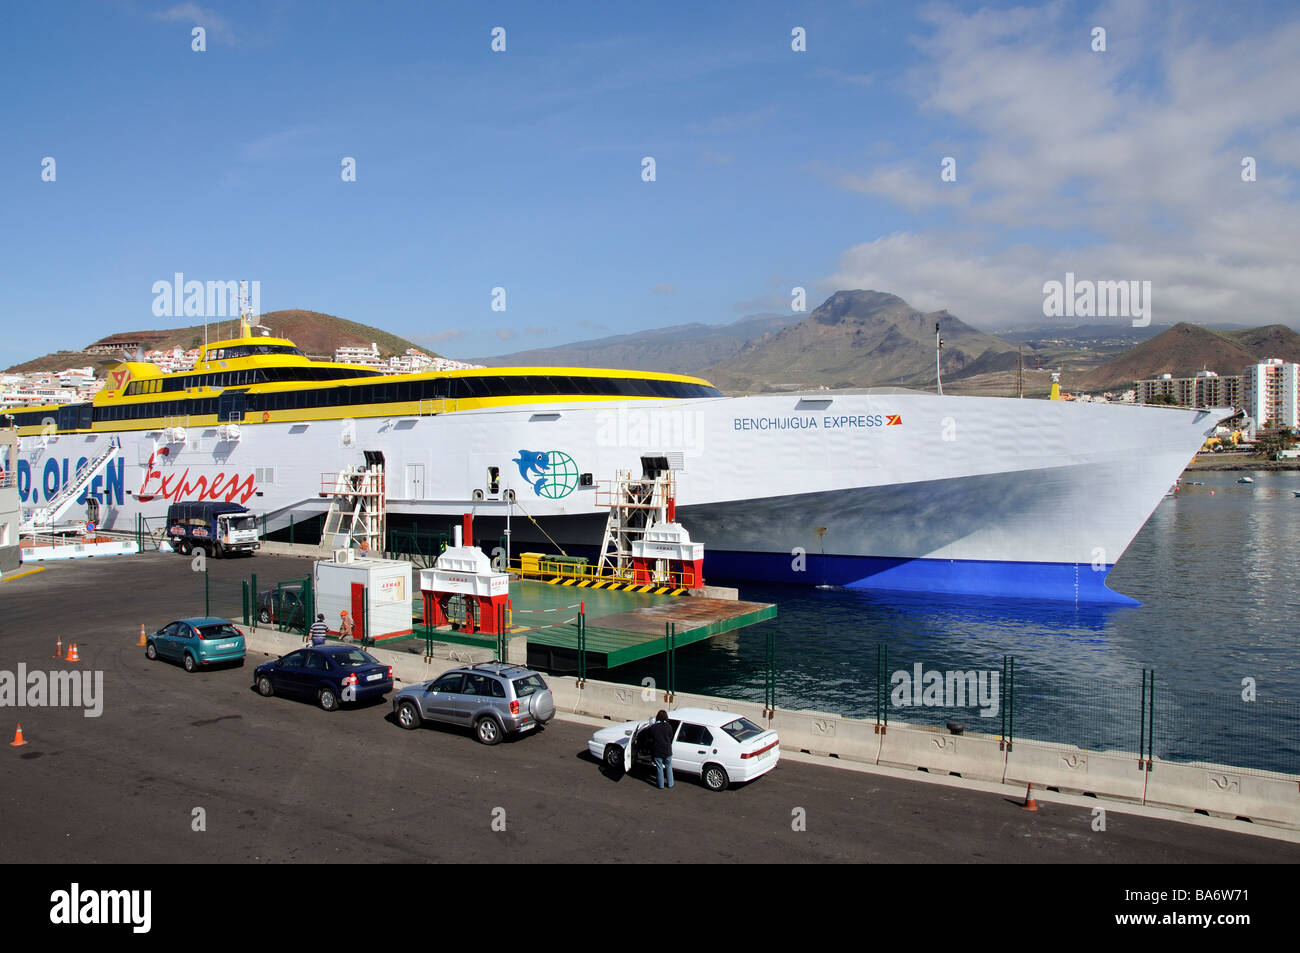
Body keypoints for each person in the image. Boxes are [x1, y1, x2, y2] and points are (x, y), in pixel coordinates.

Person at [648, 709, 675, 790]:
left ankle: (661, 785)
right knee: (669, 767)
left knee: (659, 768)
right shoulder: (669, 726)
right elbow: (671, 737)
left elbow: (650, 738)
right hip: (667, 750)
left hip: (657, 751)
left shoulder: (654, 727)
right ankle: (670, 784)